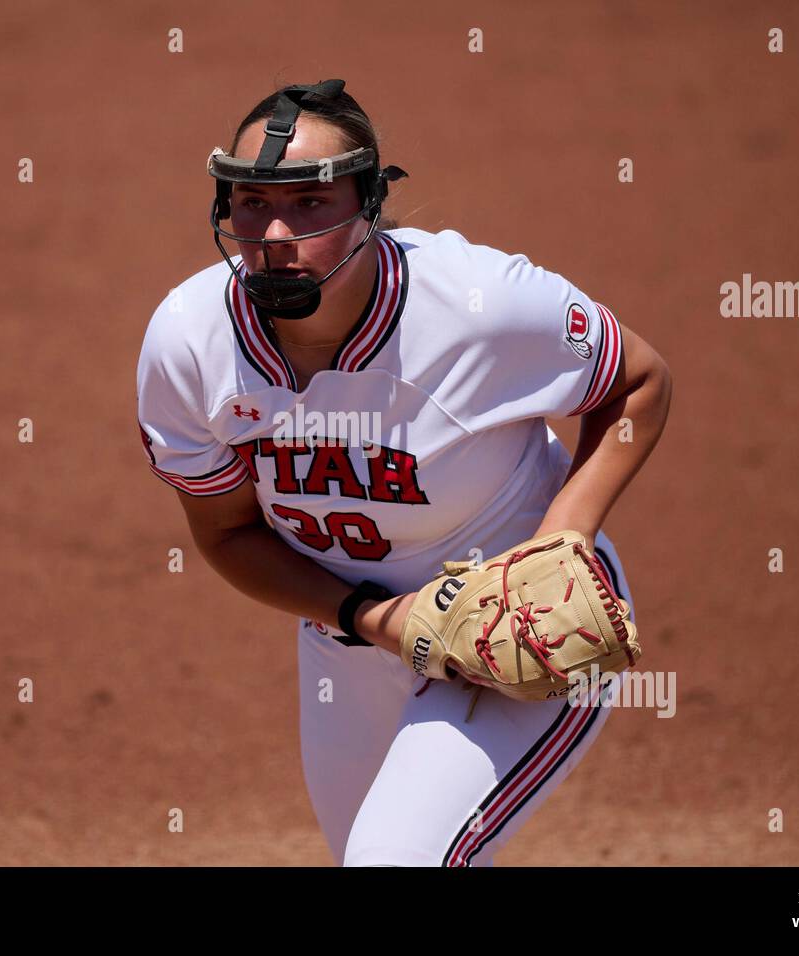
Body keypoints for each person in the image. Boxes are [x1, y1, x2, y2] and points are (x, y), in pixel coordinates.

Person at [135, 80, 672, 866]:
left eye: (311, 202)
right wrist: (372, 620)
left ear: (370, 204)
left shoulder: (477, 306)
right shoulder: (188, 344)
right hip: (344, 647)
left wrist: (561, 540)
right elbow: (229, 533)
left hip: (509, 629)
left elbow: (638, 382)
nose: (276, 231)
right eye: (251, 201)